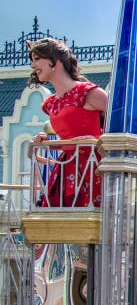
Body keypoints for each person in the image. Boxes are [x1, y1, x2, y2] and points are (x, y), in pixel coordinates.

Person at [28, 38, 107, 208]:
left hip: (93, 167)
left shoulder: (87, 93)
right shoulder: (50, 104)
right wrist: (45, 142)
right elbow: (67, 142)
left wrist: (99, 140)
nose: (32, 66)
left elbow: (121, 120)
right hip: (66, 168)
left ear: (54, 62)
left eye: (36, 59)